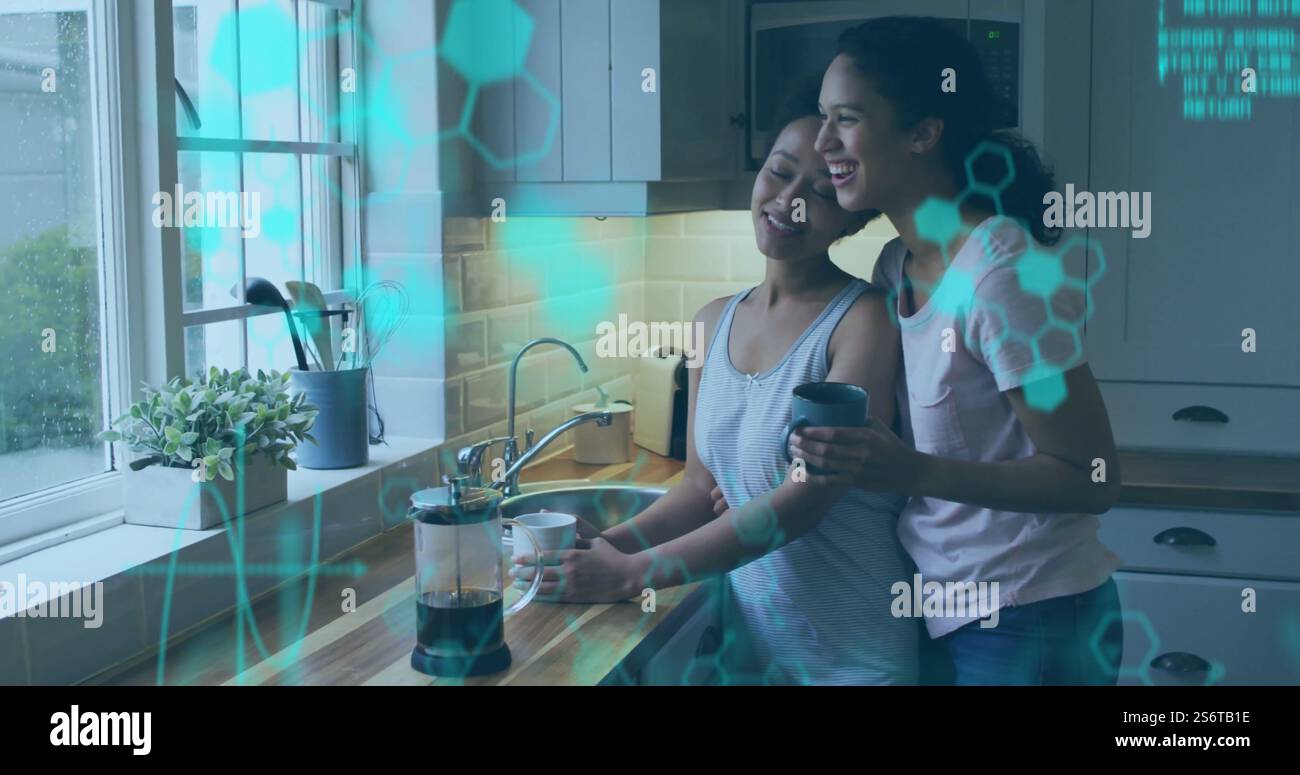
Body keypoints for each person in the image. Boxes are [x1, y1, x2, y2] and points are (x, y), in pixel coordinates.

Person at [514, 84, 917, 684]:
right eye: (779, 173)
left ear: (853, 215)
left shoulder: (863, 321)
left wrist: (631, 573)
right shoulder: (712, 319)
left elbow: (807, 499)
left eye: (821, 192)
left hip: (852, 657)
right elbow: (699, 489)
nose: (788, 202)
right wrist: (606, 548)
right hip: (754, 651)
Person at [781, 16, 1125, 684]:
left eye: (845, 119)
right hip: (946, 608)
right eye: (822, 118)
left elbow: (1092, 476)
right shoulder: (895, 266)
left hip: (1034, 614)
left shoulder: (1002, 275)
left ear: (922, 132)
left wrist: (912, 470)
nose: (823, 142)